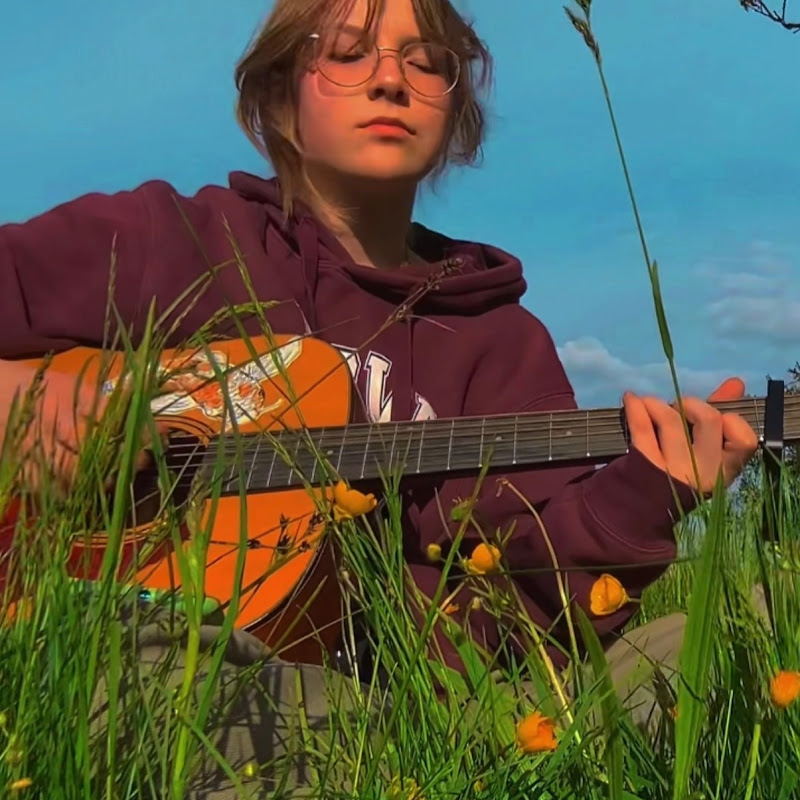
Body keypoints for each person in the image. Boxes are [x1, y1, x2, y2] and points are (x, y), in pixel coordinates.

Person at [0, 0, 759, 795]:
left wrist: (646, 497)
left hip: (436, 711)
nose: (392, 80)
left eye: (426, 62)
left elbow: (526, 621)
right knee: (138, 654)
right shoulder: (174, 240)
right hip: (197, 677)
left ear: (454, 108)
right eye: (348, 53)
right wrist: (16, 401)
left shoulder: (503, 343)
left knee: (746, 629)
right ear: (281, 95)